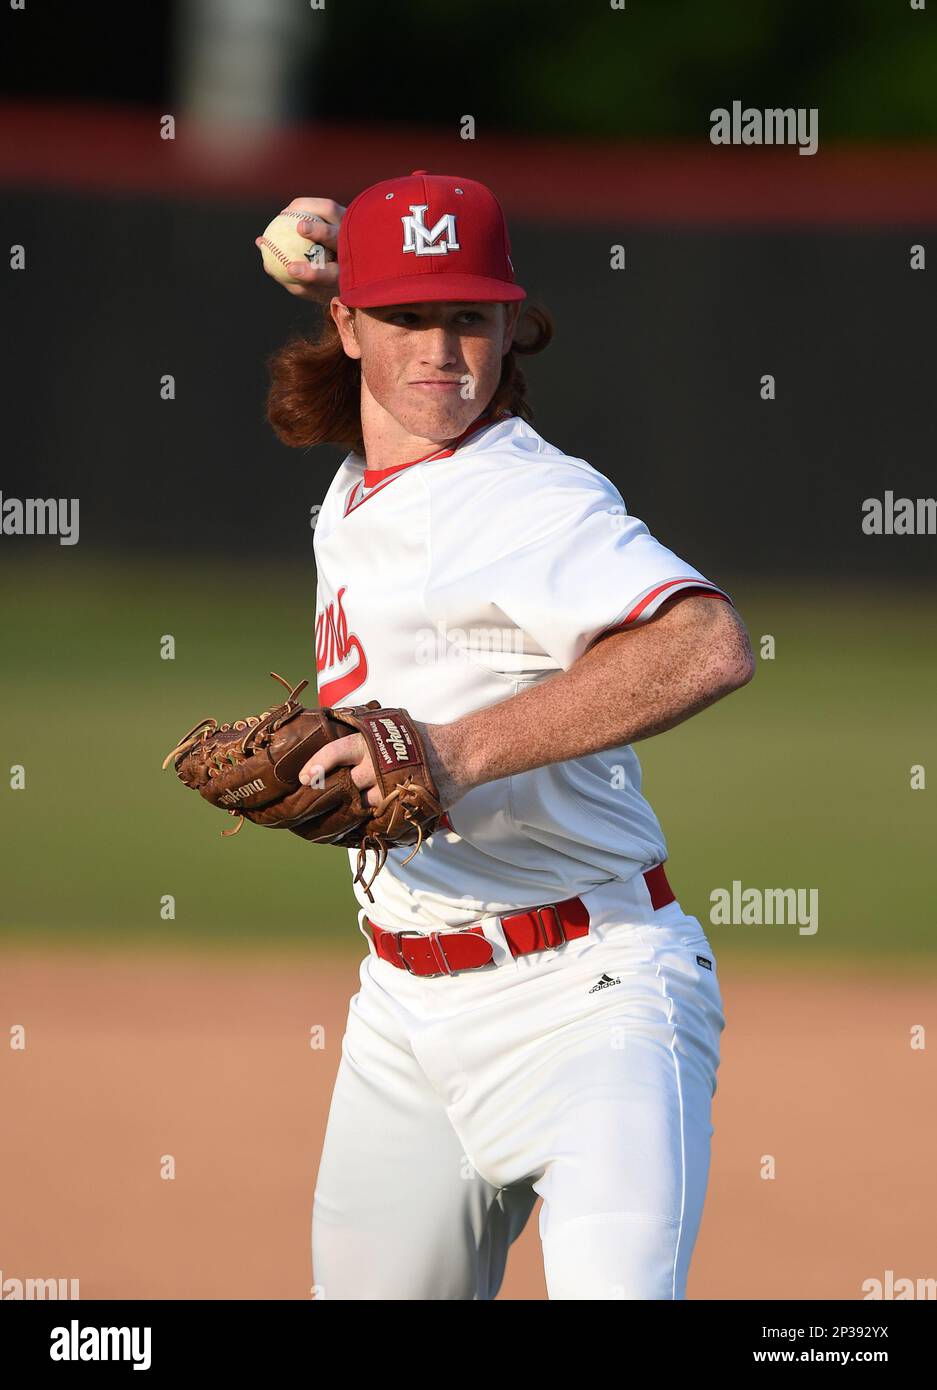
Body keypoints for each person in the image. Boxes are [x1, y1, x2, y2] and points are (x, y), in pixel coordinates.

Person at [257, 172, 755, 1300]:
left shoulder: (525, 499)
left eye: (469, 318)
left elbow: (705, 643)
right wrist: (341, 251)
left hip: (592, 1002)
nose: (443, 352)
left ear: (508, 324)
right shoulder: (361, 485)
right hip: (401, 1016)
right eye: (407, 317)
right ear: (344, 322)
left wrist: (445, 751)